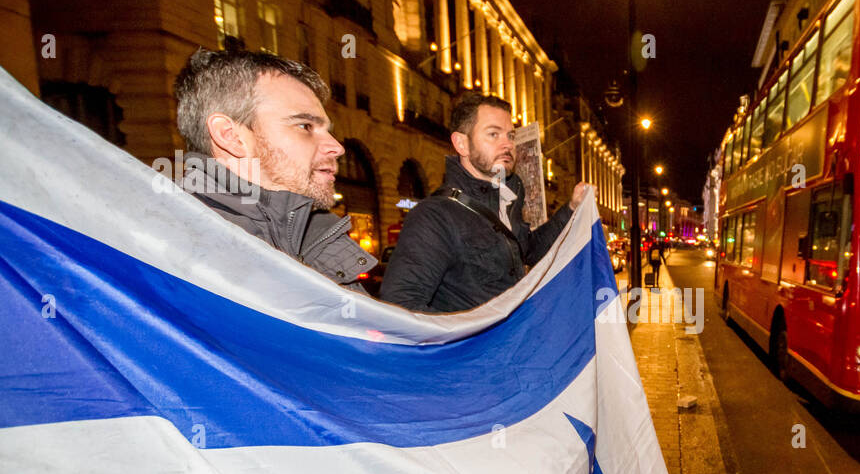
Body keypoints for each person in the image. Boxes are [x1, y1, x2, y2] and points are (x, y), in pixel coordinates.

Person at [173, 47, 376, 290]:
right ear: (230, 136)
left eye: (327, 130)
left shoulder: (316, 235)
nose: (337, 147)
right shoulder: (177, 251)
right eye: (305, 126)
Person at [380, 92, 587, 312]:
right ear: (462, 144)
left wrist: (571, 208)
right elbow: (400, 305)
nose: (507, 144)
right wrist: (476, 338)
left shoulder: (507, 203)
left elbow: (531, 251)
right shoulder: (435, 216)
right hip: (482, 346)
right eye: (493, 134)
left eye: (510, 135)